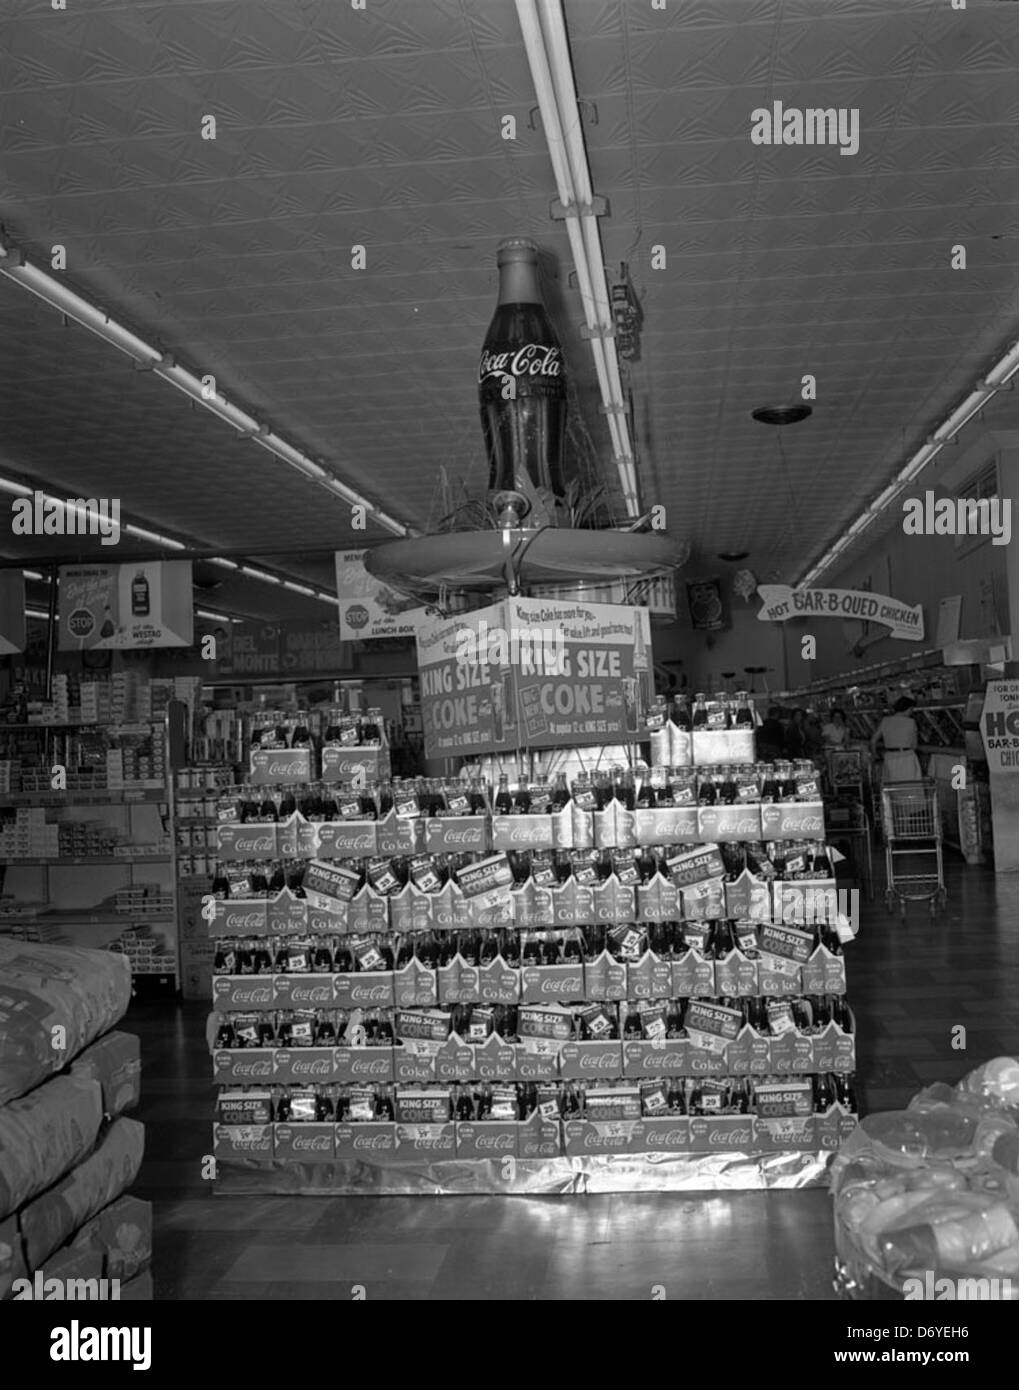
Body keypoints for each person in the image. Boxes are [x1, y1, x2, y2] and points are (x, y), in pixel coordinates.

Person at [871, 696, 922, 782]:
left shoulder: (885, 721)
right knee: (909, 786)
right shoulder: (911, 722)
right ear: (907, 708)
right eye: (911, 709)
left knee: (892, 786)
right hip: (907, 757)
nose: (911, 712)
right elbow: (914, 745)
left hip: (890, 758)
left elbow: (873, 741)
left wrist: (875, 754)